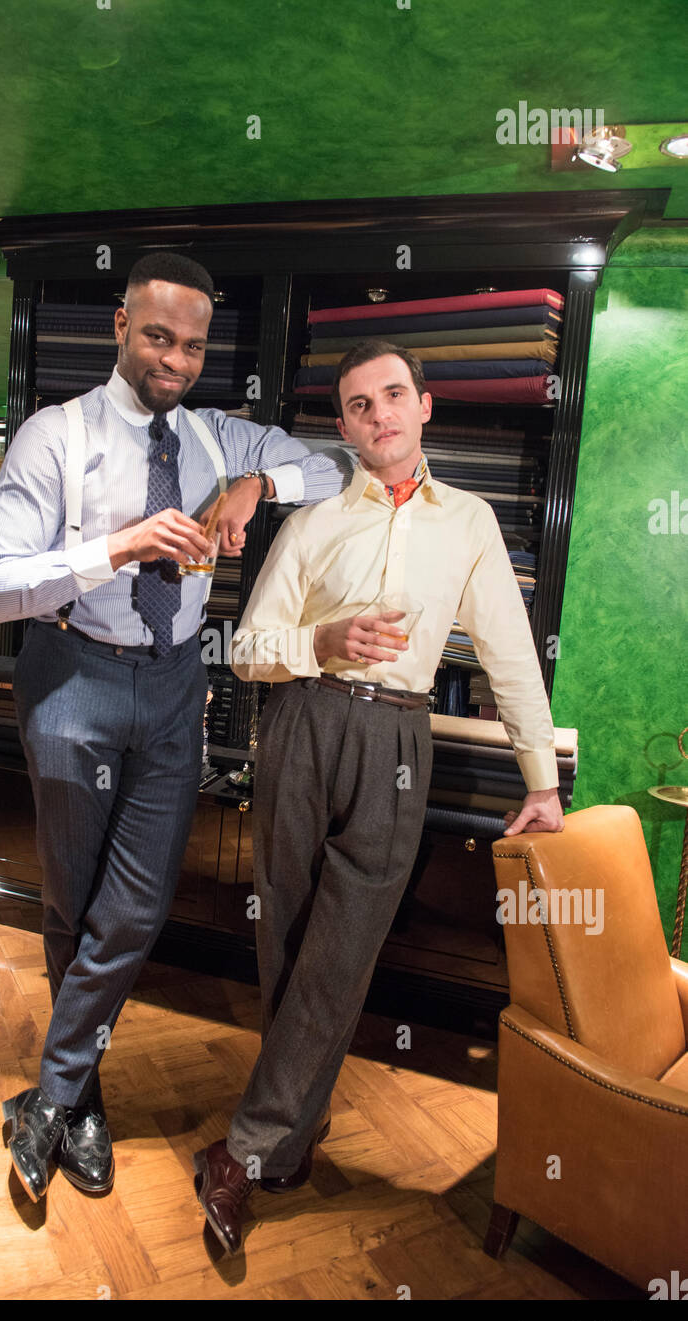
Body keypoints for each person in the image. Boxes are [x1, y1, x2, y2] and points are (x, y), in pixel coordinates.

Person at [0, 252, 354, 1203]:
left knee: (135, 908)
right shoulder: (52, 438)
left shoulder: (220, 436)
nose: (174, 359)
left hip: (178, 686)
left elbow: (336, 461)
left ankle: (48, 1099)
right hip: (71, 678)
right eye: (157, 336)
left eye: (191, 343)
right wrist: (118, 546)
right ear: (119, 328)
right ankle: (84, 1099)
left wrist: (254, 489)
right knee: (72, 902)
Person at [193, 340, 564, 1257]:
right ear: (345, 425)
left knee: (343, 948)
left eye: (393, 396)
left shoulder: (471, 523)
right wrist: (320, 642)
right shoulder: (312, 521)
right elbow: (247, 650)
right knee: (284, 933)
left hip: (399, 737)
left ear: (423, 407)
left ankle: (242, 1151)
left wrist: (541, 782)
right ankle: (292, 1133)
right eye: (358, 405)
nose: (379, 416)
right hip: (300, 726)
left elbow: (511, 655)